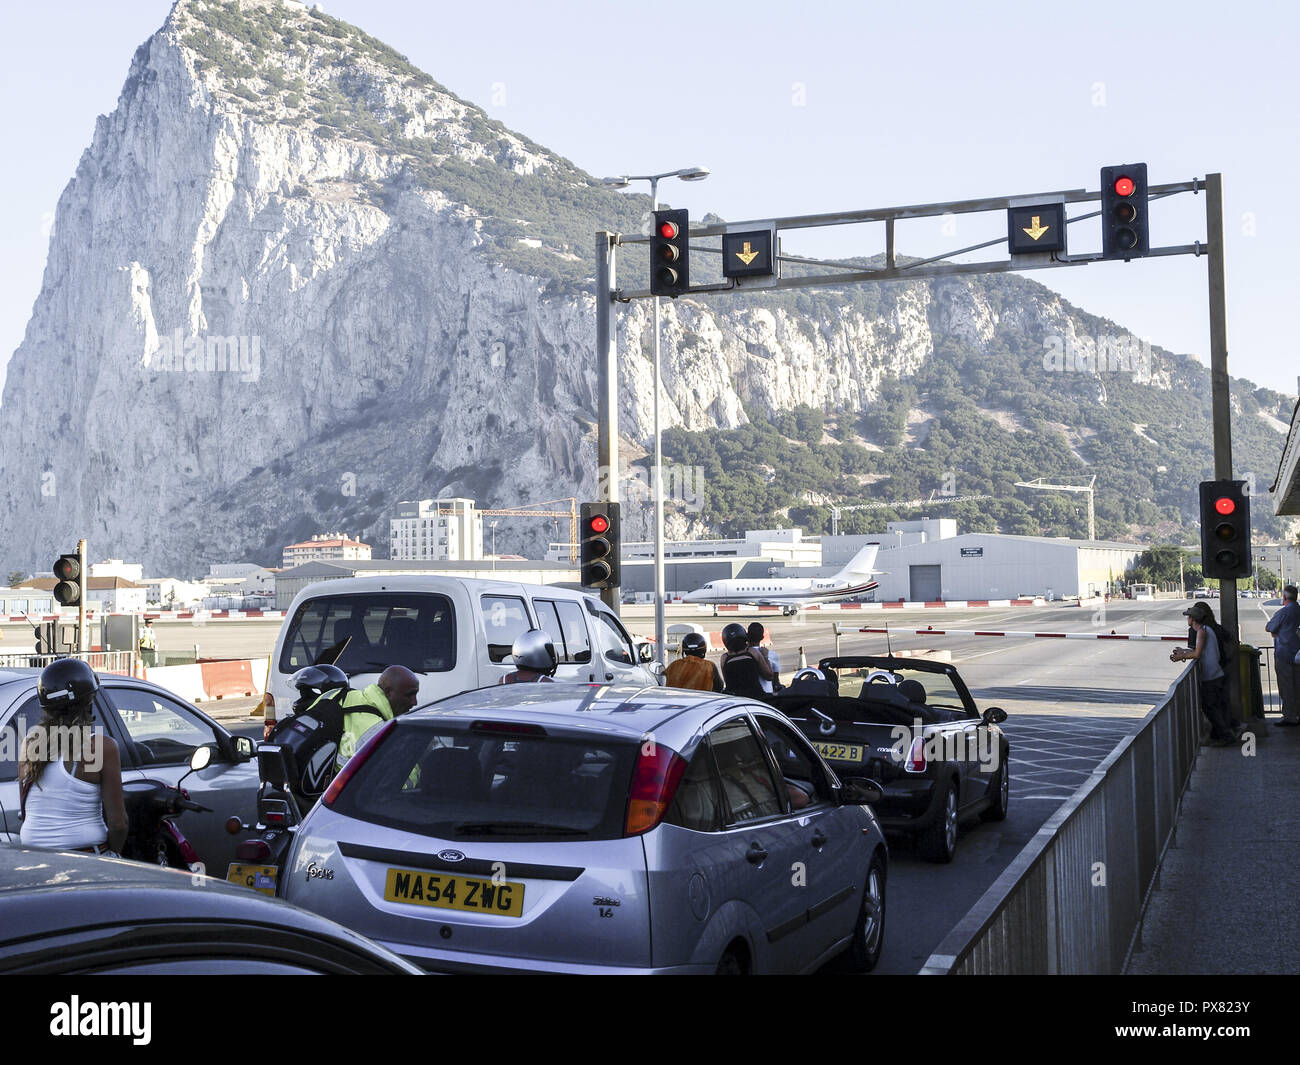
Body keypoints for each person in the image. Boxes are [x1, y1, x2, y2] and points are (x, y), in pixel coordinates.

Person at [18, 659, 127, 856]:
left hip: (32, 857)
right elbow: (118, 824)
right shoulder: (102, 747)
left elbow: (25, 810)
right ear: (89, 701)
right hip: (83, 857)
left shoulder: (28, 743)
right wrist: (115, 855)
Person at [1170, 601, 1241, 746]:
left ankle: (1226, 736)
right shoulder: (1208, 629)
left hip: (1212, 675)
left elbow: (1197, 653)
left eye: (1188, 617)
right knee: (1214, 706)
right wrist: (1184, 652)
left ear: (1193, 619)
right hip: (1216, 673)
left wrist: (1180, 656)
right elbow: (1200, 651)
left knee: (1210, 707)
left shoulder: (1202, 631)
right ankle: (1223, 733)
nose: (1187, 619)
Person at [335, 665, 422, 771]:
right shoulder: (378, 731)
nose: (414, 702)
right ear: (388, 692)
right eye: (409, 695)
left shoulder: (344, 696)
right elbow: (393, 779)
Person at [1265, 585, 1300, 727]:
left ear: (1284, 597)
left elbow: (1269, 628)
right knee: (1298, 685)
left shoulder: (1283, 613)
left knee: (1286, 686)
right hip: (1298, 654)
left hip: (1284, 654)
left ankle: (1289, 717)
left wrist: (1277, 632)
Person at [719, 623, 772, 699]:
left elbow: (727, 681)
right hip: (756, 697)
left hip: (735, 699)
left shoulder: (724, 658)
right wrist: (765, 656)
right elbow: (769, 676)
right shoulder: (752, 652)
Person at [747, 622, 780, 693]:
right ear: (762, 637)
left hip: (749, 696)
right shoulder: (773, 655)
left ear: (747, 636)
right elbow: (775, 681)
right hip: (767, 694)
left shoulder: (743, 655)